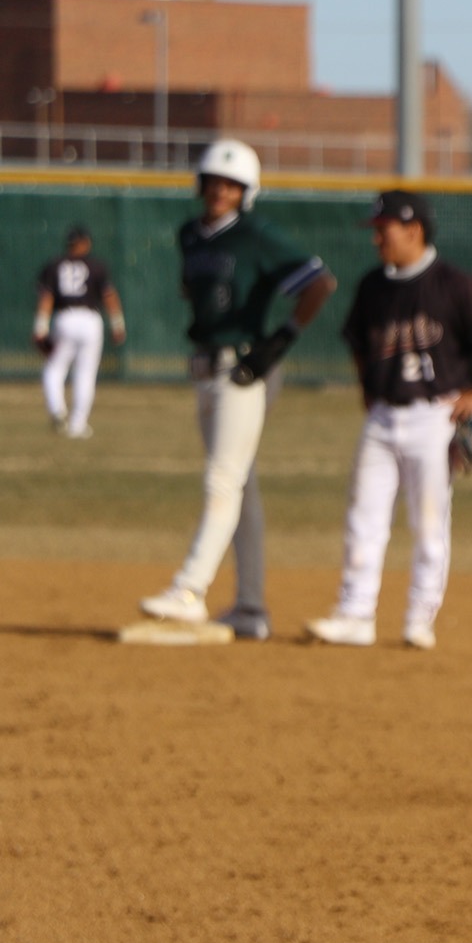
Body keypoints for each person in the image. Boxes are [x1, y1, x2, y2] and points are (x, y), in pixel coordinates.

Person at [138, 139, 337, 639]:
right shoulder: (192, 236)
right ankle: (250, 608)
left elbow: (319, 282)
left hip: (245, 367)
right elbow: (196, 292)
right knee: (240, 489)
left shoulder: (256, 235)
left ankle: (190, 589)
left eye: (232, 185)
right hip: (205, 367)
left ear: (247, 191)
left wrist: (280, 340)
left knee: (221, 480)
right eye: (214, 182)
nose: (220, 191)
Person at [304, 190, 472, 651]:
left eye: (384, 230)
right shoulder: (371, 287)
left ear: (414, 229)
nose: (376, 238)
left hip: (434, 416)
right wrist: (367, 393)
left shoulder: (452, 283)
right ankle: (355, 614)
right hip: (382, 417)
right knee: (363, 518)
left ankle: (420, 618)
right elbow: (359, 347)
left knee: (428, 523)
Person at [34, 224, 127, 439]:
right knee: (86, 373)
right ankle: (78, 424)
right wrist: (118, 324)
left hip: (65, 318)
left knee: (54, 368)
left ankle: (57, 410)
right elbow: (110, 297)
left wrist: (40, 327)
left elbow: (46, 298)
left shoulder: (55, 265)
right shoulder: (96, 266)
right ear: (87, 243)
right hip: (90, 319)